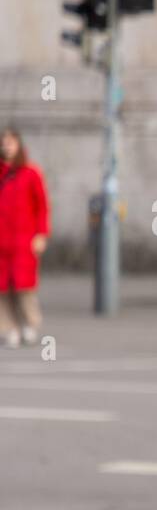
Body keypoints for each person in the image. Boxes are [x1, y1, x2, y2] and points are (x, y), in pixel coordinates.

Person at [0, 128, 50, 348]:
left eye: (10, 142)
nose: (7, 146)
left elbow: (42, 207)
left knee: (24, 287)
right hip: (2, 241)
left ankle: (30, 324)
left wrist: (41, 234)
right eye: (4, 143)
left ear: (19, 144)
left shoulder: (31, 173)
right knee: (2, 288)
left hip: (23, 240)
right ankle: (8, 328)